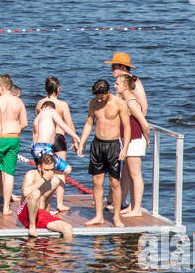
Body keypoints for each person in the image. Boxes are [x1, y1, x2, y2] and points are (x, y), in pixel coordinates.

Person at [76, 79, 129, 227]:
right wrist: (81, 143)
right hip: (97, 144)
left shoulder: (119, 103)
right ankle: (98, 215)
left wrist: (124, 148)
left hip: (113, 145)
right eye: (97, 97)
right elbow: (89, 123)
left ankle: (116, 217)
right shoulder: (93, 103)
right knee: (96, 181)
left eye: (102, 97)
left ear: (108, 92)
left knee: (114, 182)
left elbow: (127, 126)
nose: (99, 99)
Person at [30, 99, 79, 212]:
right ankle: (43, 197)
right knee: (66, 170)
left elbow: (34, 135)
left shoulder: (38, 117)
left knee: (44, 174)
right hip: (44, 148)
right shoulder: (51, 111)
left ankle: (44, 208)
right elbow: (63, 125)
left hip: (35, 148)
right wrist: (76, 137)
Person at [0, 75, 27, 215]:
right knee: (9, 173)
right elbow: (24, 122)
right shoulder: (18, 102)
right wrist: (15, 130)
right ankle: (6, 207)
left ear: (2, 87)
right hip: (13, 137)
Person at [18, 152, 73, 240]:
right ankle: (32, 227)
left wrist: (49, 217)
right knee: (36, 193)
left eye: (51, 169)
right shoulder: (31, 174)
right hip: (26, 214)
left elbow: (47, 201)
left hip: (40, 214)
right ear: (40, 167)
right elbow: (26, 192)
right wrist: (43, 180)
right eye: (46, 170)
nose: (49, 172)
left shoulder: (54, 181)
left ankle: (64, 252)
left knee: (68, 228)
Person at [117, 75, 149, 219]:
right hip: (127, 141)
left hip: (135, 140)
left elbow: (144, 123)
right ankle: (131, 205)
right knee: (130, 174)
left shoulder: (131, 102)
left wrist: (147, 140)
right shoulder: (124, 100)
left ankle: (137, 208)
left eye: (117, 84)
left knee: (136, 175)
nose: (115, 86)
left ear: (125, 86)